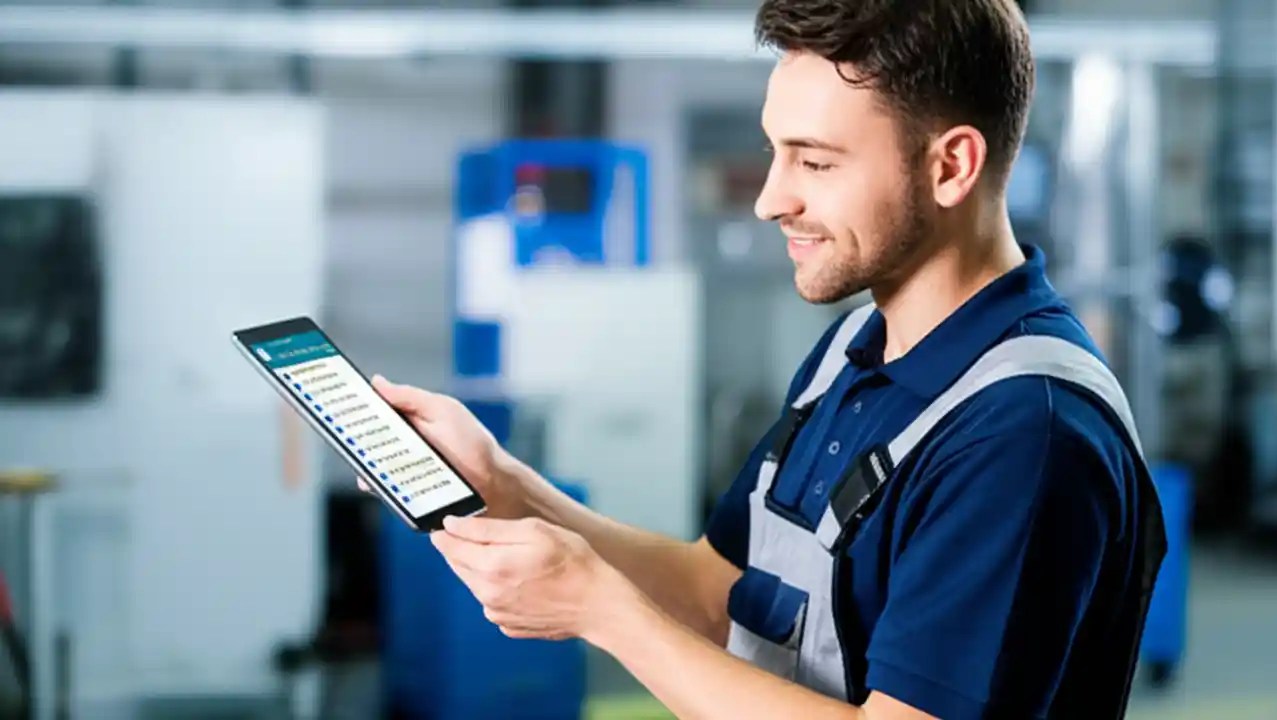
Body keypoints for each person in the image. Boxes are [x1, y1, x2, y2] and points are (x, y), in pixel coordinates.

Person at [366, 1, 1166, 717]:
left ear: (950, 165)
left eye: (815, 162)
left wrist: (603, 613)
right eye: (776, 152)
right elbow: (718, 595)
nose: (770, 198)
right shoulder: (849, 354)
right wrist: (506, 487)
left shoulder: (1023, 432)